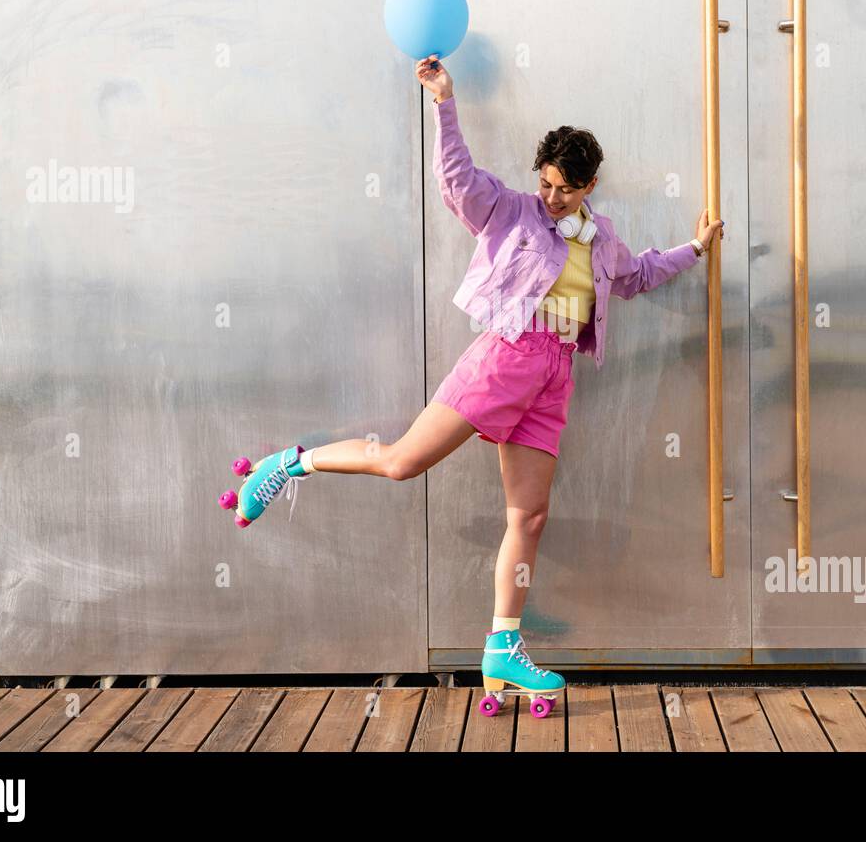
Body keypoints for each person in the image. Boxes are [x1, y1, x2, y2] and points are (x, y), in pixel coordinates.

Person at [220, 55, 723, 708]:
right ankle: (289, 463)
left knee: (531, 515)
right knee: (402, 461)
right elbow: (456, 180)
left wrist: (698, 249)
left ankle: (502, 648)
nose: (551, 197)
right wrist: (444, 102)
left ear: (589, 184)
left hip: (556, 375)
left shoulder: (601, 238)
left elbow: (635, 275)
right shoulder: (512, 212)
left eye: (564, 189)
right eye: (544, 183)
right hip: (505, 357)